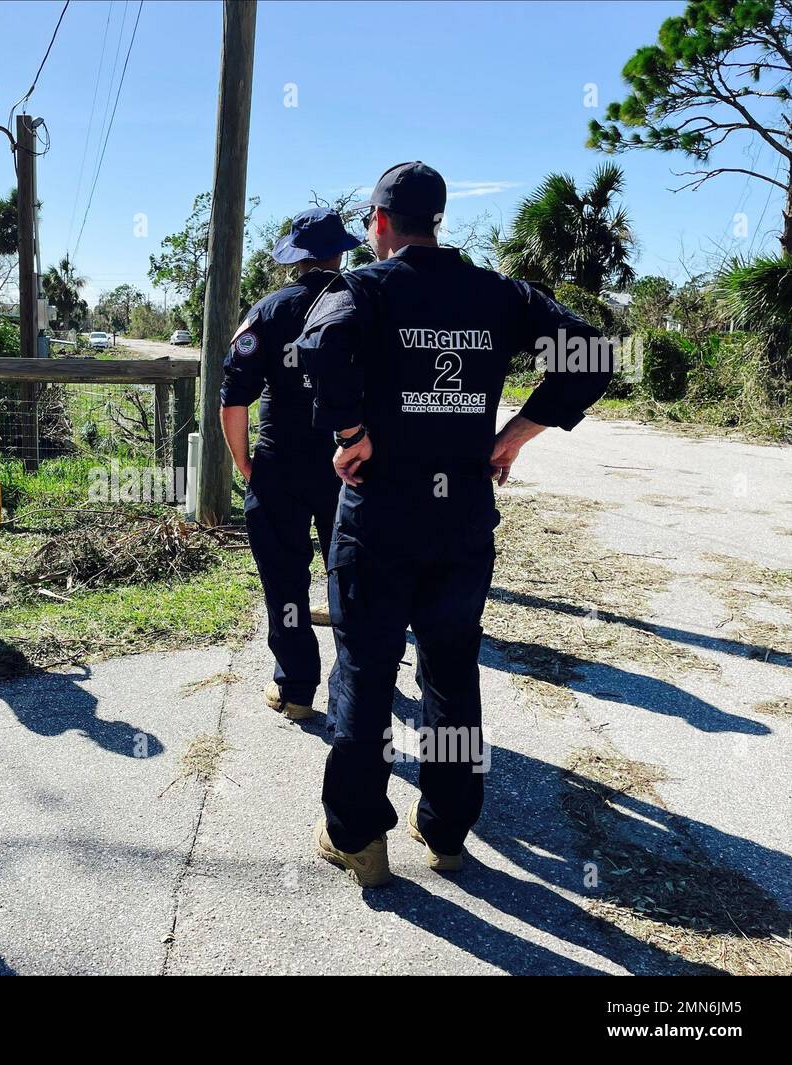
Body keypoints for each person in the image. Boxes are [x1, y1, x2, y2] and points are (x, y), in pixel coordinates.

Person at [296, 161, 613, 886]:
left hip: (377, 518)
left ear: (379, 222)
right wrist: (518, 433)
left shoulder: (364, 288)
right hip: (463, 522)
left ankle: (357, 839)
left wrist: (351, 434)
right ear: (438, 220)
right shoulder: (497, 293)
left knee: (366, 675)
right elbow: (591, 352)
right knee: (451, 671)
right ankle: (445, 830)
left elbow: (320, 347)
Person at [220, 208, 360, 721]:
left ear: (295, 259)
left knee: (285, 579)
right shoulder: (363, 303)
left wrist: (245, 463)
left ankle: (296, 689)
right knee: (352, 577)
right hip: (351, 464)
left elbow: (233, 397)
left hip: (279, 464)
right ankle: (359, 686)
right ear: (340, 252)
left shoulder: (270, 310)